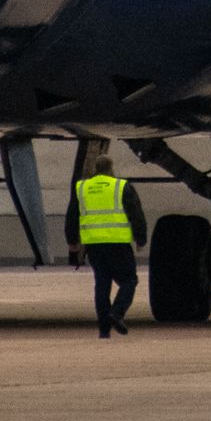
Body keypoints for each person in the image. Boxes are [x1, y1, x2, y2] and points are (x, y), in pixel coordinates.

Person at [62, 141, 147, 338]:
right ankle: (116, 313)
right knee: (129, 281)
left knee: (102, 284)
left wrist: (72, 242)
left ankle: (103, 330)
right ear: (111, 168)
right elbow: (136, 214)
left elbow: (72, 215)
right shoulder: (121, 187)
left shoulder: (82, 188)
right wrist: (140, 238)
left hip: (94, 245)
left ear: (95, 169)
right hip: (118, 244)